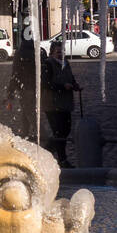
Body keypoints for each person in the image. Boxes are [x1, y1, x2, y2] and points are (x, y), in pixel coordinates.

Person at [43, 40, 80, 168]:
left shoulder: (66, 63)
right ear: (52, 52)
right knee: (59, 132)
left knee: (66, 130)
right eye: (58, 51)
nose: (61, 54)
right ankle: (61, 159)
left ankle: (46, 153)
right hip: (52, 104)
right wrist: (63, 86)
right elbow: (46, 83)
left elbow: (71, 77)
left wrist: (75, 85)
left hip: (65, 103)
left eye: (62, 51)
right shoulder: (48, 64)